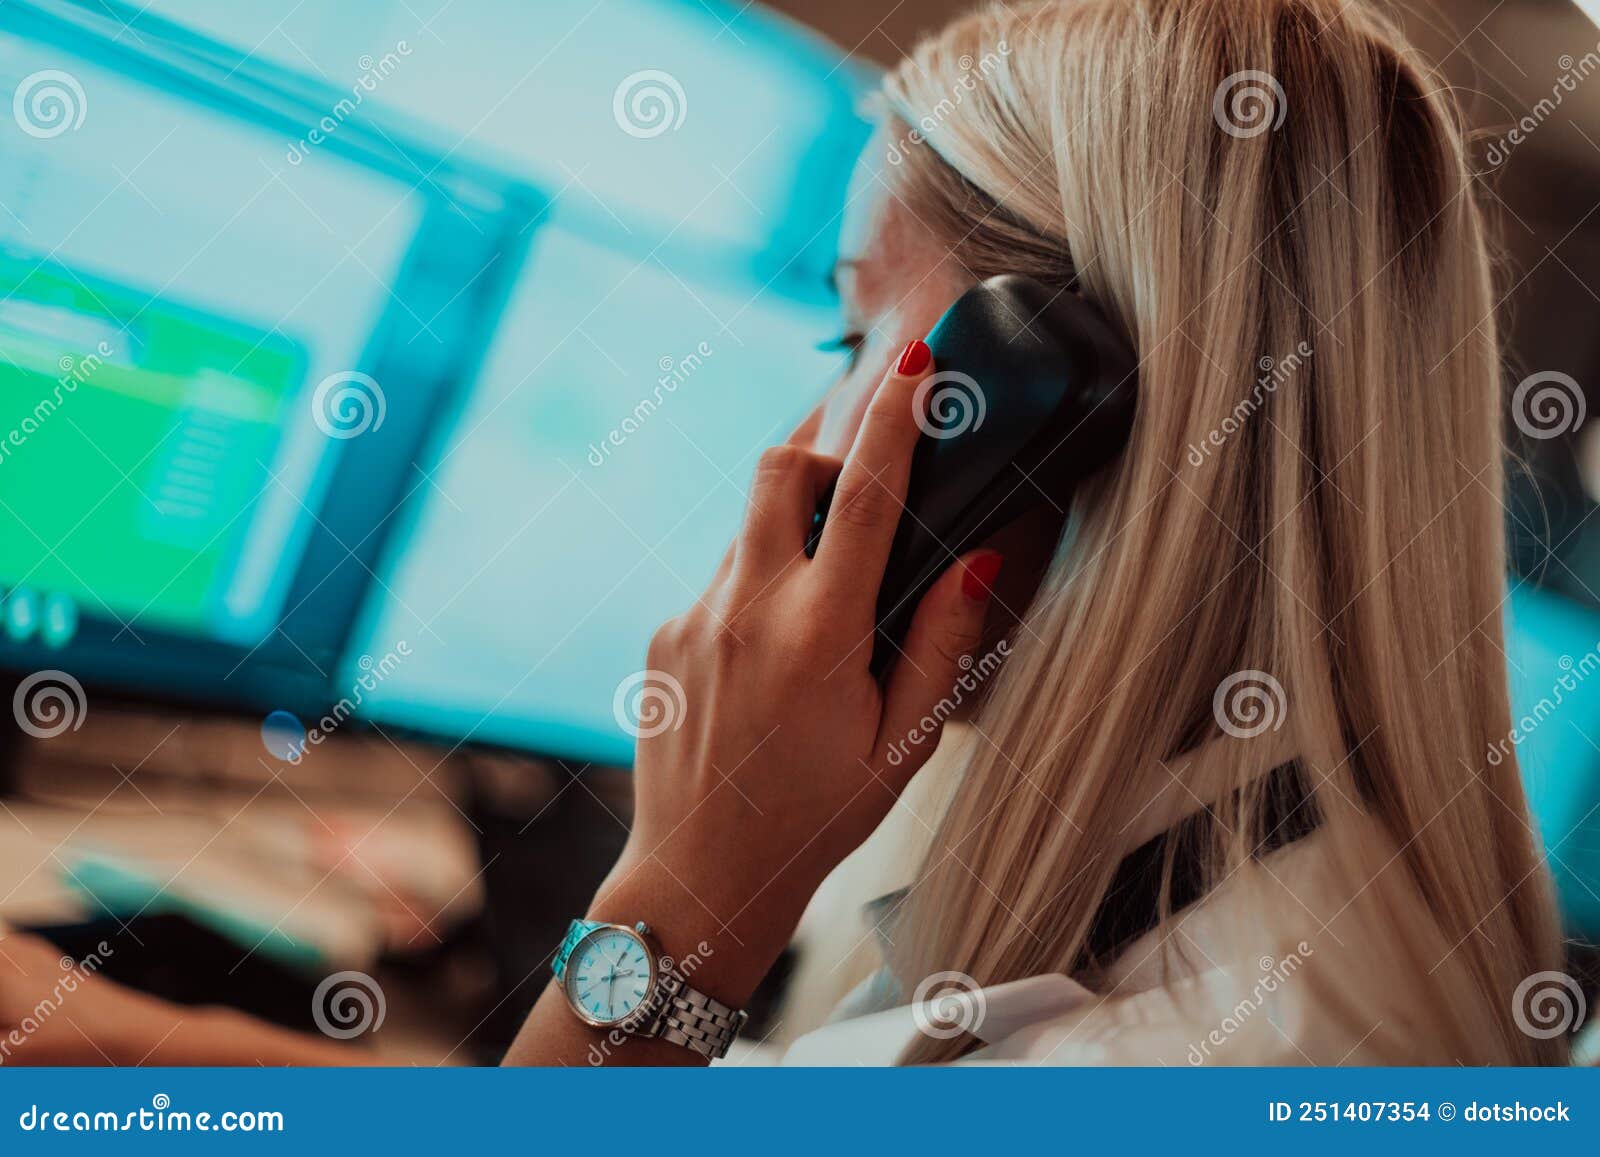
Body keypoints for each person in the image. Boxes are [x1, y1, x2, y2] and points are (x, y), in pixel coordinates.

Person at [504, 0, 1568, 1066]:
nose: (796, 445)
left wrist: (686, 899)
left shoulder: (1213, 1053)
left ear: (1040, 397)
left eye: (850, 336)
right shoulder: (1177, 880)